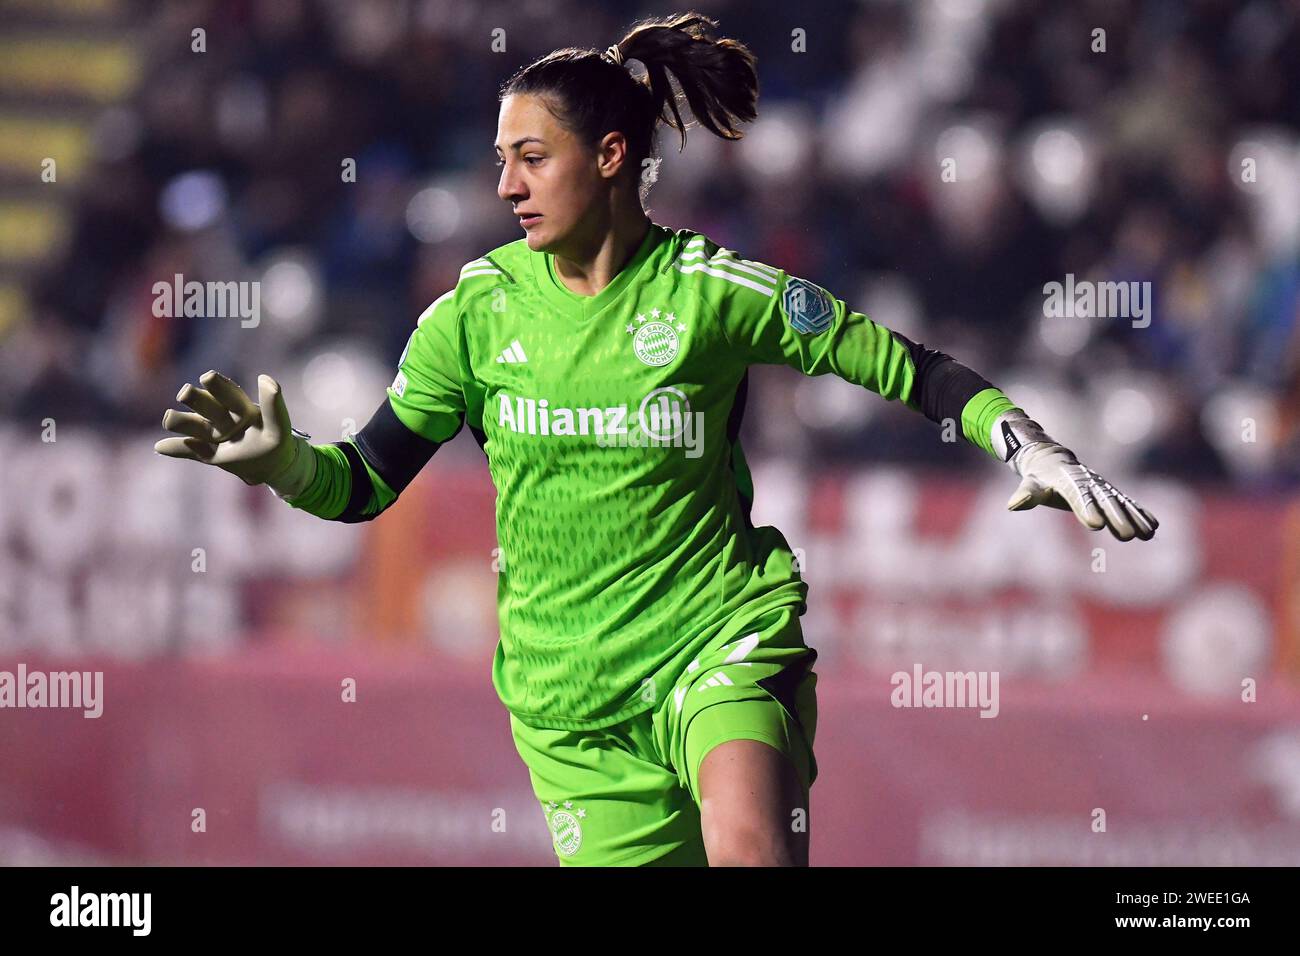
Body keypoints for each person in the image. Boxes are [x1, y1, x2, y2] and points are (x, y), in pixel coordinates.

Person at [155, 12, 1158, 866]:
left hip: (717, 638)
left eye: (532, 157)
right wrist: (280, 462)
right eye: (500, 159)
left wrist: (1026, 442)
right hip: (571, 702)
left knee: (747, 849)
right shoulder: (472, 316)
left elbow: (909, 366)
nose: (506, 184)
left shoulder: (712, 293)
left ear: (611, 157)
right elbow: (362, 484)